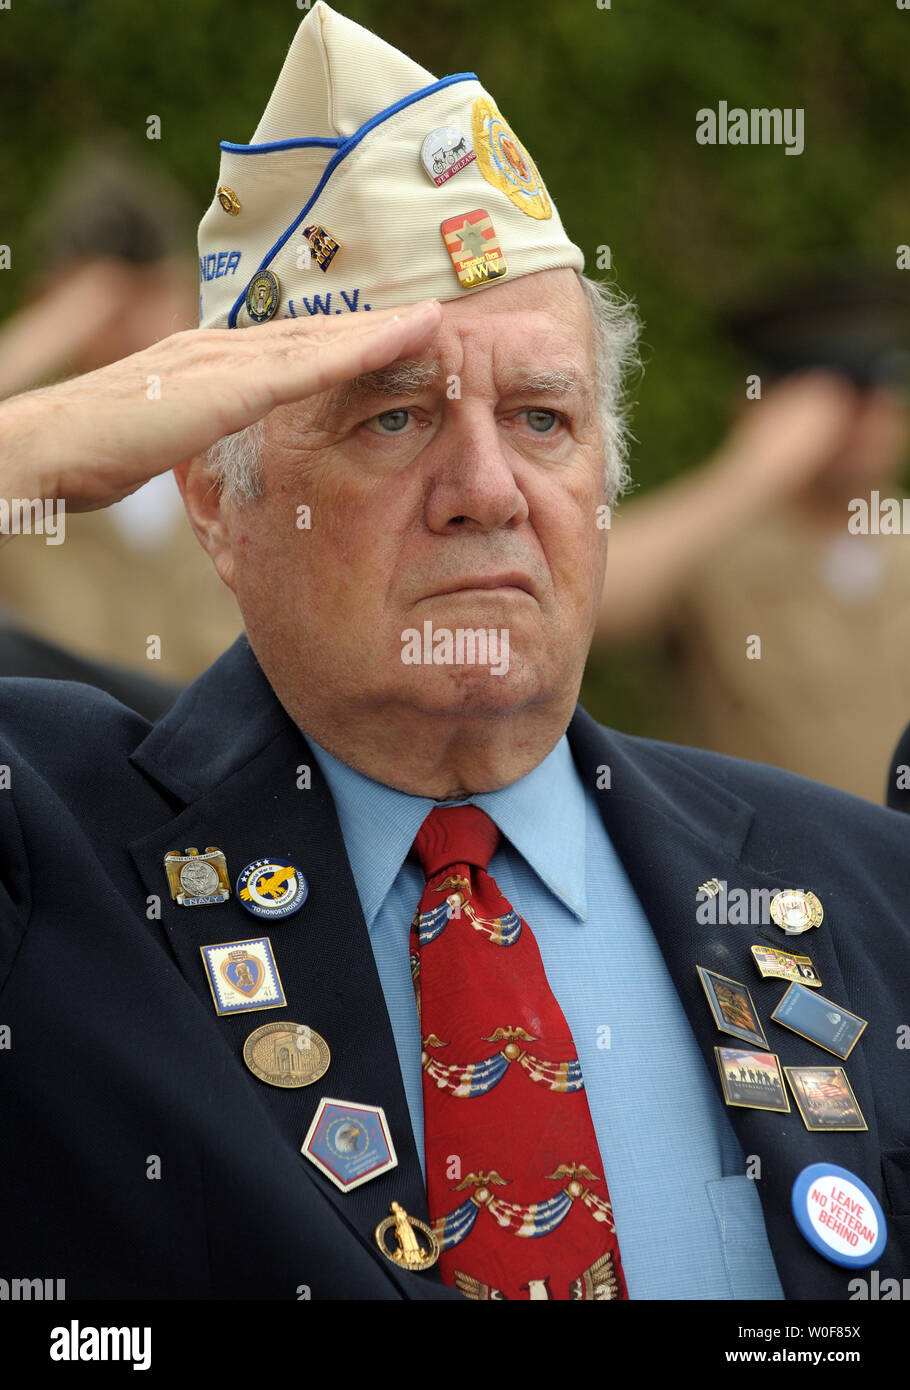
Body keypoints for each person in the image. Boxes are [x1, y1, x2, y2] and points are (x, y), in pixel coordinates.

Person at [0, 2, 908, 1302]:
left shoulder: (870, 889)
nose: (485, 486)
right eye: (391, 418)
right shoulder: (50, 859)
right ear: (215, 492)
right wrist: (25, 446)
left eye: (542, 416)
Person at [592, 275, 910, 803]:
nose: (867, 417)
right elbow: (582, 603)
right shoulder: (716, 541)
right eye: (841, 397)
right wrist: (754, 470)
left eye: (884, 389)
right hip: (776, 881)